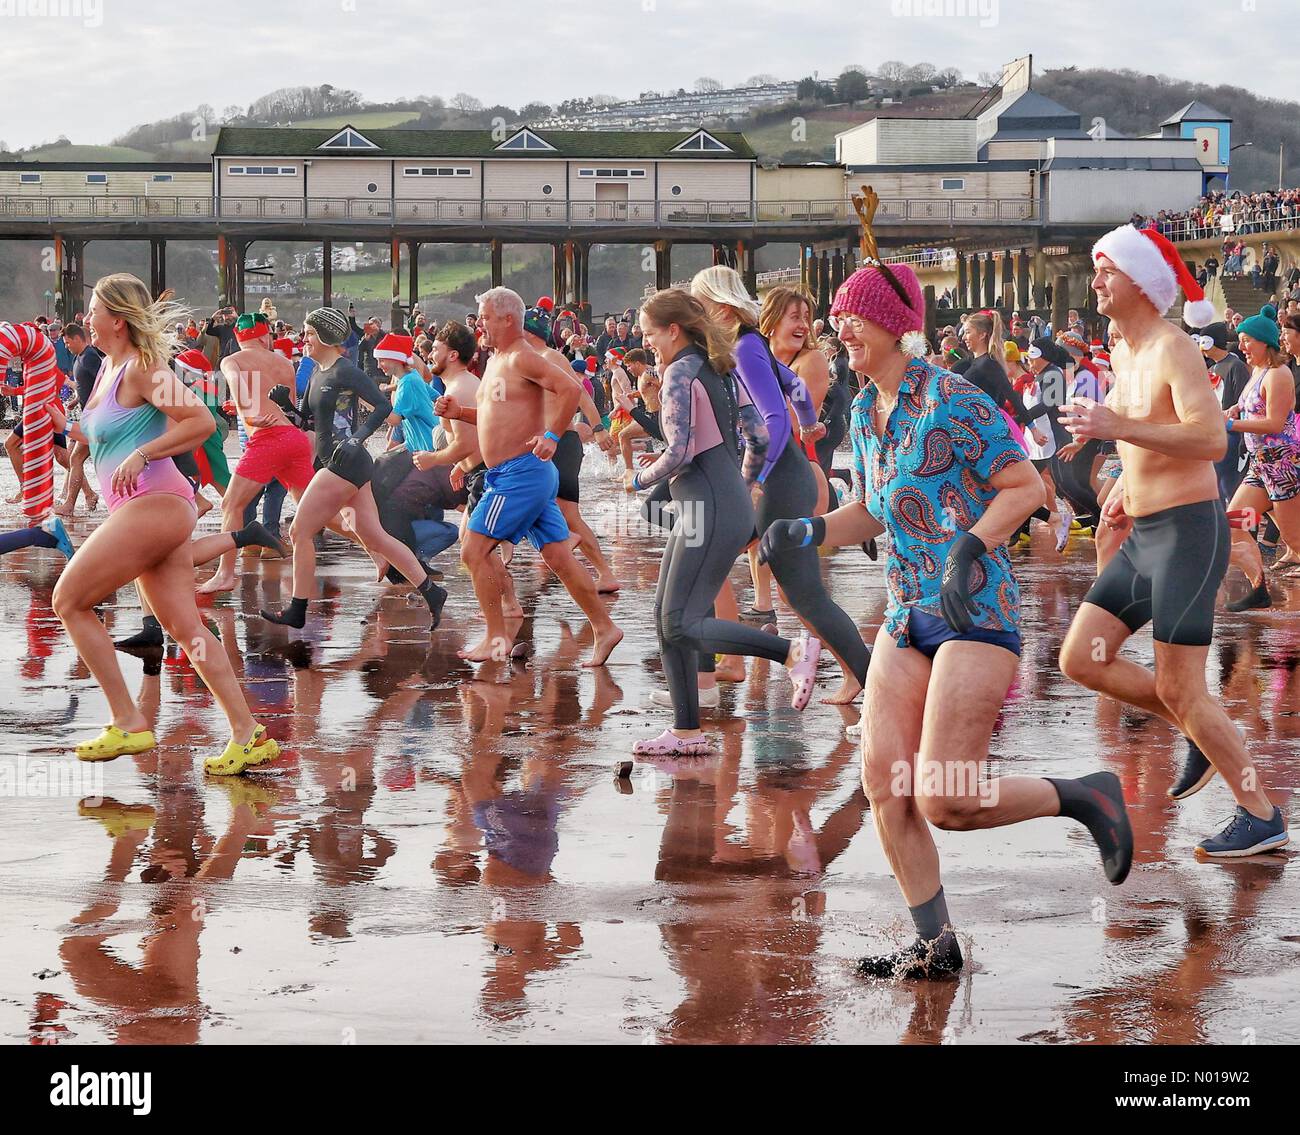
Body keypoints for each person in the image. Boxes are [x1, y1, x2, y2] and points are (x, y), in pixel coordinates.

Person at [763, 261, 1131, 980]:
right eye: (838, 321)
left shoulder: (950, 397)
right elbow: (872, 509)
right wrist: (805, 532)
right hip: (907, 614)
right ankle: (935, 942)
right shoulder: (866, 410)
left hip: (974, 609)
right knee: (884, 782)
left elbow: (1026, 485)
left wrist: (969, 543)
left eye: (855, 317)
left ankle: (1087, 795)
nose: (842, 332)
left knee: (947, 795)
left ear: (896, 326)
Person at [1057, 224, 1287, 856]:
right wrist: (1121, 485)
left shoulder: (1173, 346)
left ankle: (1261, 813)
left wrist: (1116, 423)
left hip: (1189, 533)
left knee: (1184, 687)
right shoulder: (1123, 348)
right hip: (1143, 533)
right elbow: (1144, 434)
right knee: (1081, 658)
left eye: (1106, 270)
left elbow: (1211, 440)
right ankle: (1195, 729)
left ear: (1140, 282)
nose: (1096, 280)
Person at [50, 274, 279, 776]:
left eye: (91, 310)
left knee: (68, 600)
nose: (85, 318)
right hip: (148, 509)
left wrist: (143, 452)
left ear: (116, 318)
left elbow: (199, 420)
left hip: (154, 504)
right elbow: (99, 434)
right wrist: (68, 427)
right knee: (185, 628)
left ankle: (127, 719)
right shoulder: (109, 367)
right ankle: (248, 735)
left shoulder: (142, 367)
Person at [633, 288, 822, 756]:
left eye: (649, 334)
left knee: (679, 620)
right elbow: (756, 436)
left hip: (705, 505)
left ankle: (791, 653)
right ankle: (686, 733)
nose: (647, 342)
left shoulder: (679, 371)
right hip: (718, 502)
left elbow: (677, 452)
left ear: (673, 330)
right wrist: (742, 486)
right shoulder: (718, 366)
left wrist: (639, 478)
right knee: (665, 617)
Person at [435, 287, 622, 667]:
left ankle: (494, 636)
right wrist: (460, 413)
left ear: (507, 319)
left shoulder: (522, 356)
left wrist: (553, 435)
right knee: (558, 556)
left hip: (520, 474)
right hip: (518, 473)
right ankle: (605, 628)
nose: (479, 326)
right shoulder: (496, 360)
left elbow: (570, 388)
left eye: (485, 318)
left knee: (473, 550)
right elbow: (496, 417)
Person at [260, 307, 449, 630]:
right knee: (374, 536)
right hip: (338, 459)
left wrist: (358, 439)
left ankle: (297, 608)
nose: (303, 339)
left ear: (324, 336)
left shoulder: (346, 371)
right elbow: (307, 421)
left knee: (298, 531)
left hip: (345, 461)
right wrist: (286, 405)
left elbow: (383, 406)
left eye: (308, 333)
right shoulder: (317, 371)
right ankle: (432, 592)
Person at [196, 313, 313, 595]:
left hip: (268, 439)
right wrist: (246, 409)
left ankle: (225, 574)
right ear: (263, 336)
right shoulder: (285, 362)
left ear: (239, 338)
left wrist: (248, 412)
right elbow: (287, 405)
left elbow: (236, 383)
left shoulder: (231, 360)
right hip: (294, 439)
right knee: (315, 509)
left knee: (231, 506)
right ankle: (381, 551)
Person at [1222, 306, 1300, 604]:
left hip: (1283, 464)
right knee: (1235, 521)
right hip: (1260, 465)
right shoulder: (1258, 371)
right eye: (1240, 340)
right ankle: (1258, 588)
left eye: (1246, 340)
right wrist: (1234, 409)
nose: (1241, 346)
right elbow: (1250, 405)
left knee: (1295, 541)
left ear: (1265, 342)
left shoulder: (1278, 375)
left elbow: (1274, 423)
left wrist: (1229, 424)